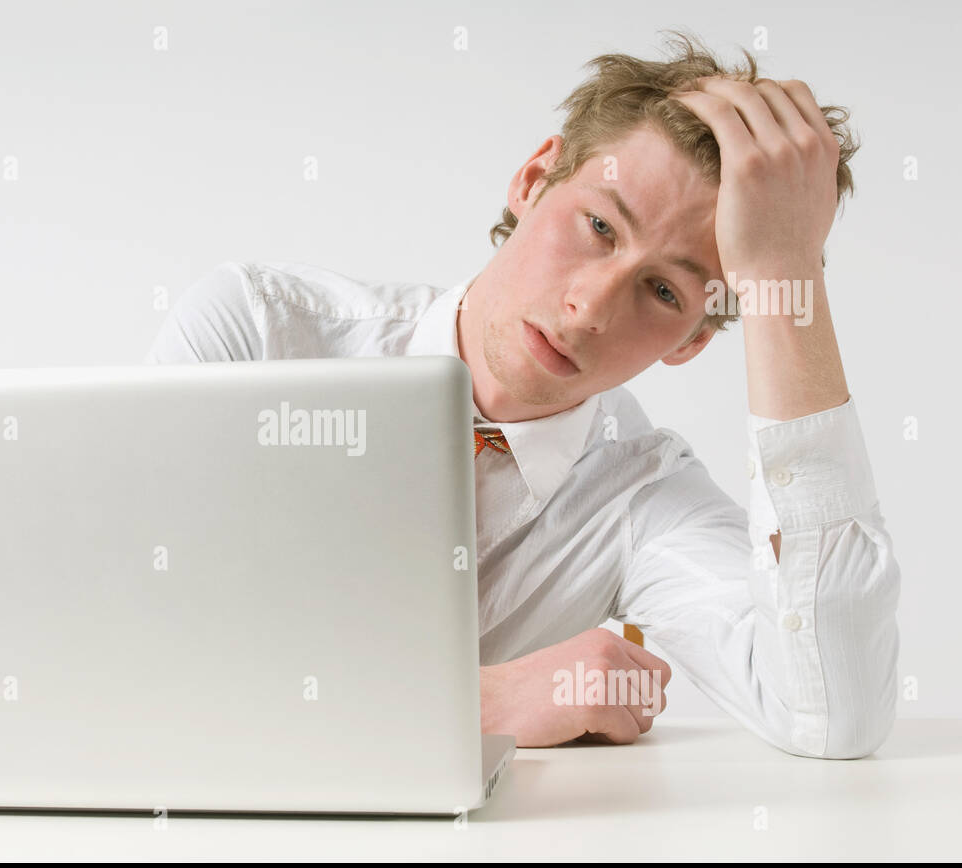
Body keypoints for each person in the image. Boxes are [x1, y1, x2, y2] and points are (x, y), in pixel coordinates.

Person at [143, 31, 899, 759]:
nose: (593, 307)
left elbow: (831, 710)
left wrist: (779, 275)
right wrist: (485, 702)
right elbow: (135, 648)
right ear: (534, 180)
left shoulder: (641, 504)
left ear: (692, 340)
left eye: (664, 290)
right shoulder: (260, 336)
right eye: (600, 225)